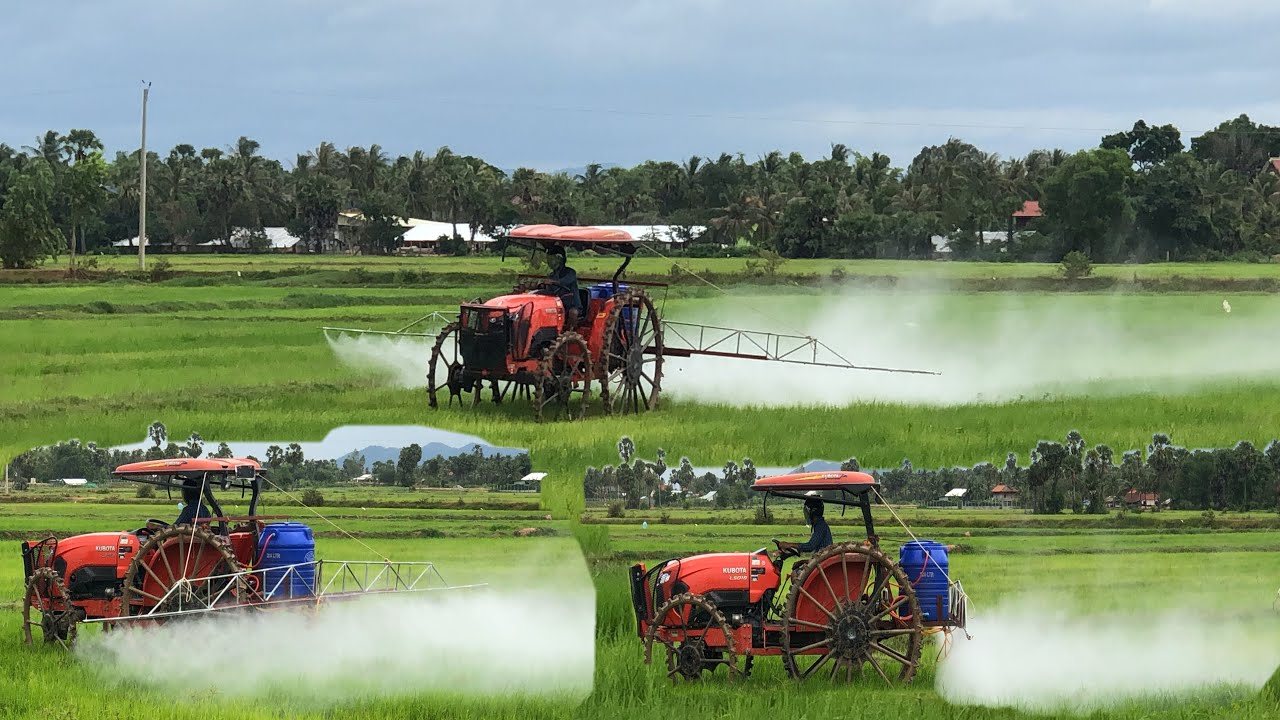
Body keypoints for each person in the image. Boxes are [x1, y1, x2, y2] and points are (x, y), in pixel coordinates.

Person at [544, 246, 581, 329]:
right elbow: (548, 289)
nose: (549, 262)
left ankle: (570, 332)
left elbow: (565, 281)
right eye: (548, 259)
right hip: (557, 304)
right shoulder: (551, 275)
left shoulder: (570, 272)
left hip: (571, 305)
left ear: (559, 259)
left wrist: (553, 282)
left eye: (551, 259)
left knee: (573, 313)